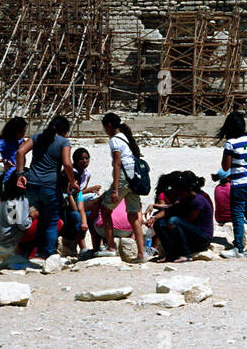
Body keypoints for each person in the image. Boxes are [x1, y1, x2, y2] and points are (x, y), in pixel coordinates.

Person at [24, 115, 76, 261]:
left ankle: (39, 252)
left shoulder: (36, 137)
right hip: (50, 186)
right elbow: (67, 164)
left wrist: (20, 173)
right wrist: (72, 182)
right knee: (52, 221)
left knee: (41, 219)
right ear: (64, 131)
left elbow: (20, 152)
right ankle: (50, 253)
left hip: (32, 185)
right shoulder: (63, 142)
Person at [99, 112, 147, 263]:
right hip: (133, 179)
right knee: (133, 216)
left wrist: (114, 189)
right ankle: (141, 253)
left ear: (109, 126)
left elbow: (117, 163)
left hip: (123, 179)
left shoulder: (114, 140)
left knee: (105, 210)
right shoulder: (126, 137)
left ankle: (111, 246)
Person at [219, 113, 247, 258]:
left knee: (238, 215)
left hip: (239, 184)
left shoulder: (231, 143)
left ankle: (238, 248)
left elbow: (225, 167)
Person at [151, 173, 214, 262]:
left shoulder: (197, 201)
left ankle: (186, 254)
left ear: (189, 190)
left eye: (181, 193)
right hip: (189, 235)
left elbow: (189, 221)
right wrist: (155, 218)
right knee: (159, 224)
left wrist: (171, 226)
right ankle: (170, 255)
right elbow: (170, 209)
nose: (180, 195)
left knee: (174, 221)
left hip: (202, 239)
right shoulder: (183, 198)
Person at [60, 147, 98, 257]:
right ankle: (83, 248)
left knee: (91, 214)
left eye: (87, 158)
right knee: (77, 216)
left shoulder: (86, 174)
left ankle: (96, 246)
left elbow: (80, 194)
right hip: (66, 203)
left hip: (76, 199)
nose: (85, 161)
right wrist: (71, 193)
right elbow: (75, 206)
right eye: (82, 159)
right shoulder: (71, 173)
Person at [0, 116, 27, 200]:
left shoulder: (20, 142)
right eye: (21, 132)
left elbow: (23, 160)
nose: (23, 135)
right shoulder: (4, 142)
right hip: (10, 177)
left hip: (20, 174)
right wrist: (4, 161)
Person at [211, 169, 233, 246]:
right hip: (231, 217)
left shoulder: (217, 188)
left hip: (219, 218)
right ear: (228, 178)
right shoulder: (232, 187)